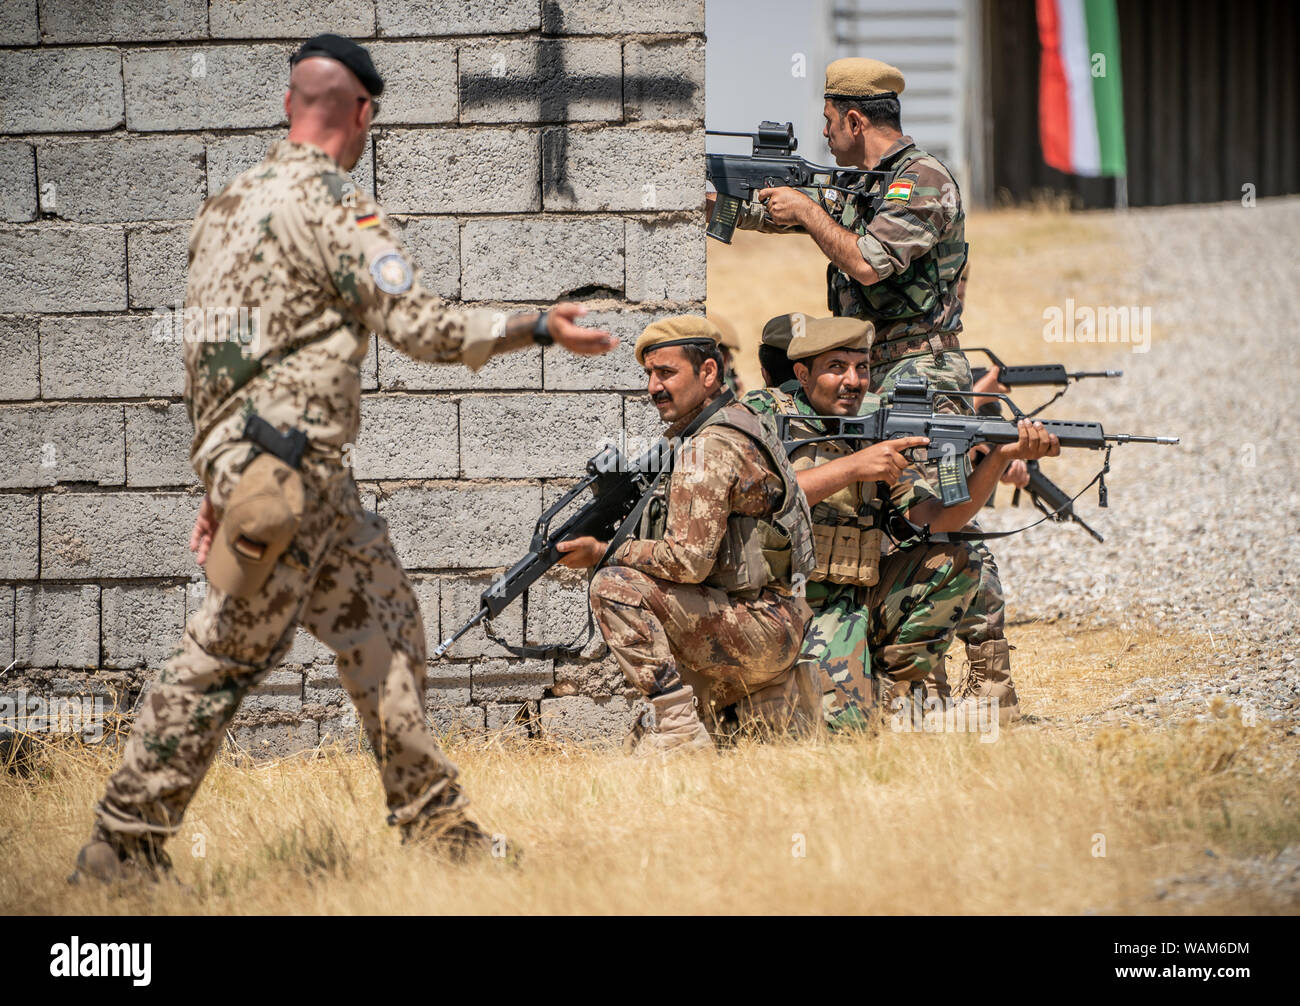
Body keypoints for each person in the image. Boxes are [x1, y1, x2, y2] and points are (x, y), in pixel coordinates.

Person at [71, 34, 617, 884]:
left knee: (388, 630)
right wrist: (539, 325)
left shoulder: (223, 209)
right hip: (293, 477)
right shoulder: (337, 210)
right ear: (361, 112)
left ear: (292, 104)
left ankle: (435, 828)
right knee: (220, 656)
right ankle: (121, 845)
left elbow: (210, 358)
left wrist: (222, 475)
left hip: (277, 476)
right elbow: (425, 329)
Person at [744, 315, 1059, 728]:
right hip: (781, 604)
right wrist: (853, 468)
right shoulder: (761, 415)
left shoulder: (878, 421)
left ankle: (902, 697)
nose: (853, 381)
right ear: (802, 374)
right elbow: (758, 496)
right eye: (836, 367)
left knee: (955, 558)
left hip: (852, 602)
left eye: (862, 368)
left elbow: (935, 518)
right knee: (844, 729)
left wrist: (999, 458)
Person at [554, 316, 815, 754]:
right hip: (779, 617)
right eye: (650, 374)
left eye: (667, 373)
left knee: (614, 586)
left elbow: (687, 562)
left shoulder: (707, 448)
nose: (654, 387)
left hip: (764, 627)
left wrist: (604, 551)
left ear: (708, 373)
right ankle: (710, 715)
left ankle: (679, 733)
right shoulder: (738, 420)